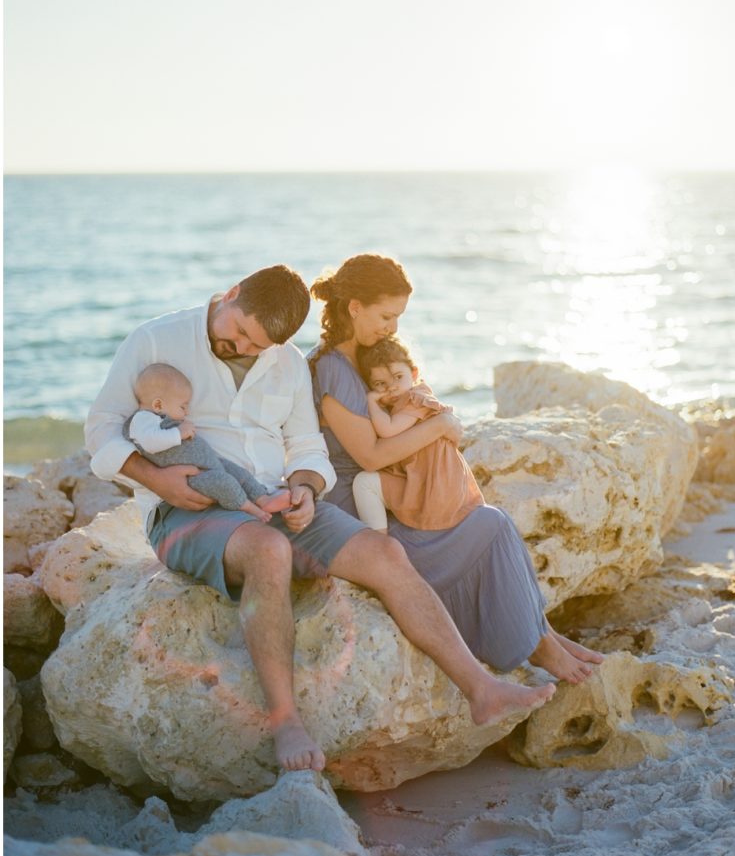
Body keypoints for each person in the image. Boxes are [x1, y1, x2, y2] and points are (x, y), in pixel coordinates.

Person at [86, 264, 557, 776]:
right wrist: (156, 481)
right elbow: (102, 428)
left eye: (257, 346)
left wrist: (306, 490)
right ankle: (286, 720)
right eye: (239, 332)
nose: (243, 349)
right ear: (231, 294)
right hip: (187, 505)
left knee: (385, 553)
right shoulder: (155, 339)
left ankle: (482, 689)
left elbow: (307, 447)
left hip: (275, 498)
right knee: (270, 552)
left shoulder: (286, 362)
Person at [309, 253, 604, 682]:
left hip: (392, 488)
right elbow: (370, 456)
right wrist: (442, 425)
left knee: (494, 519)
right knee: (491, 526)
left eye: (398, 318)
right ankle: (537, 649)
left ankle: (543, 633)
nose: (392, 328)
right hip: (361, 509)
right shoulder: (333, 370)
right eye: (386, 316)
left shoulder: (366, 357)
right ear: (354, 307)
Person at [125, 362, 291, 521]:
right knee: (224, 484)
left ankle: (263, 499)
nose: (187, 412)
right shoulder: (142, 420)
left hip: (210, 463)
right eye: (183, 407)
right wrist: (179, 433)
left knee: (240, 473)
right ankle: (249, 507)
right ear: (158, 404)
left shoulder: (157, 416)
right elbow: (150, 443)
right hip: (194, 475)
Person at [352, 337, 484, 532]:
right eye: (381, 383)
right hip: (434, 484)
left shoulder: (415, 399)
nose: (392, 387)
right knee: (366, 482)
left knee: (364, 483)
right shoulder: (410, 401)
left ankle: (378, 541)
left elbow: (388, 430)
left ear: (414, 373)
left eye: (398, 377)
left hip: (433, 490)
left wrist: (371, 401)